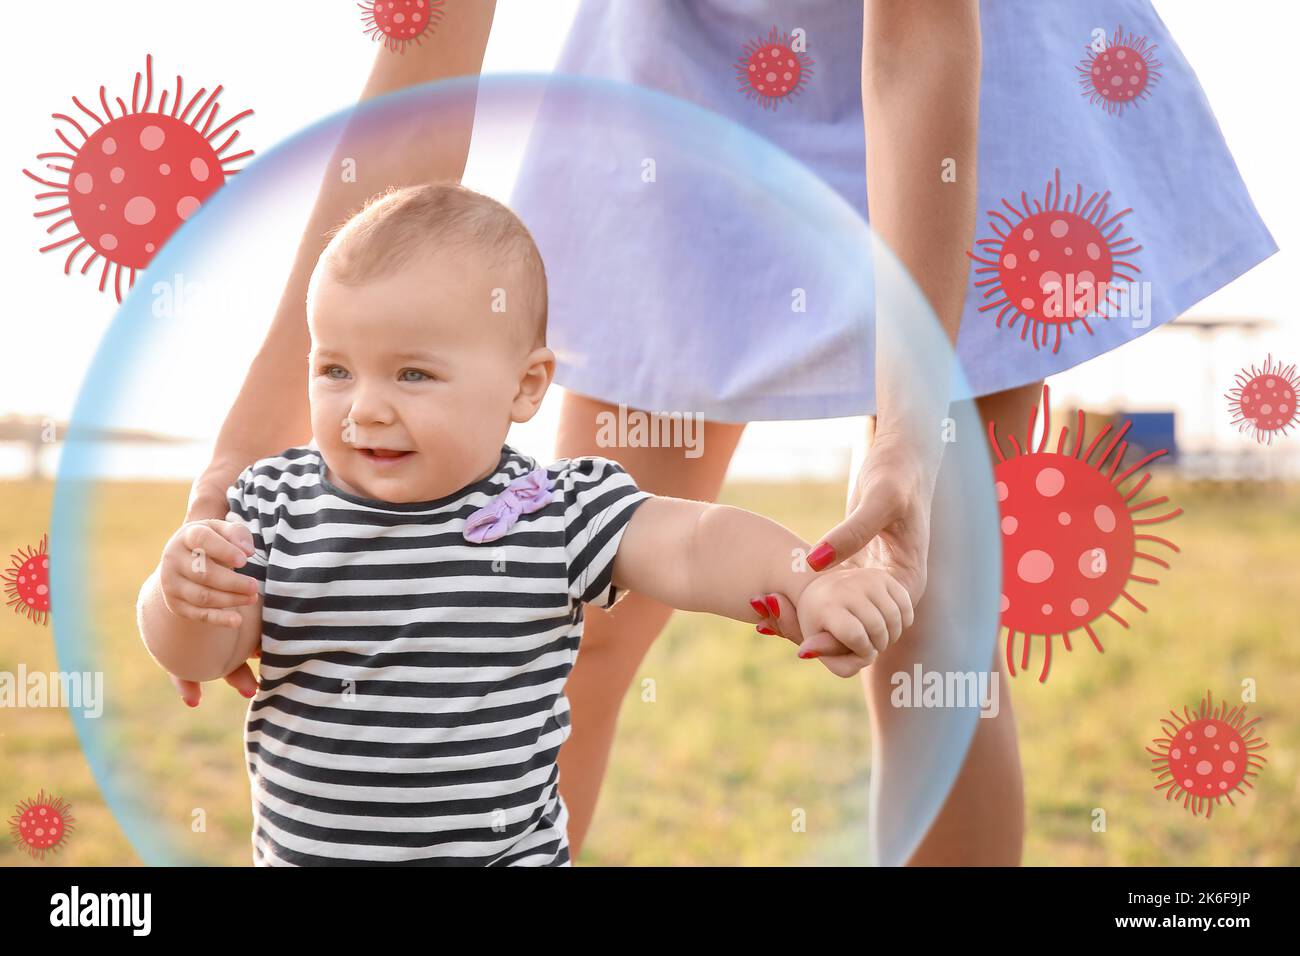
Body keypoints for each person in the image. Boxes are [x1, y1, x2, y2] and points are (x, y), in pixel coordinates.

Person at [171, 0, 1276, 866]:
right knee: (581, 626)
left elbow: (916, 45)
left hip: (947, 87)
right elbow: (420, 74)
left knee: (932, 621)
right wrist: (242, 442)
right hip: (679, 99)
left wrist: (906, 425)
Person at [137, 183, 914, 864]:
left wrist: (798, 578)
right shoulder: (275, 503)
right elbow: (206, 656)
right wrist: (179, 598)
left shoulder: (556, 511)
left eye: (413, 373)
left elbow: (692, 541)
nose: (364, 405)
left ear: (525, 386)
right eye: (335, 368)